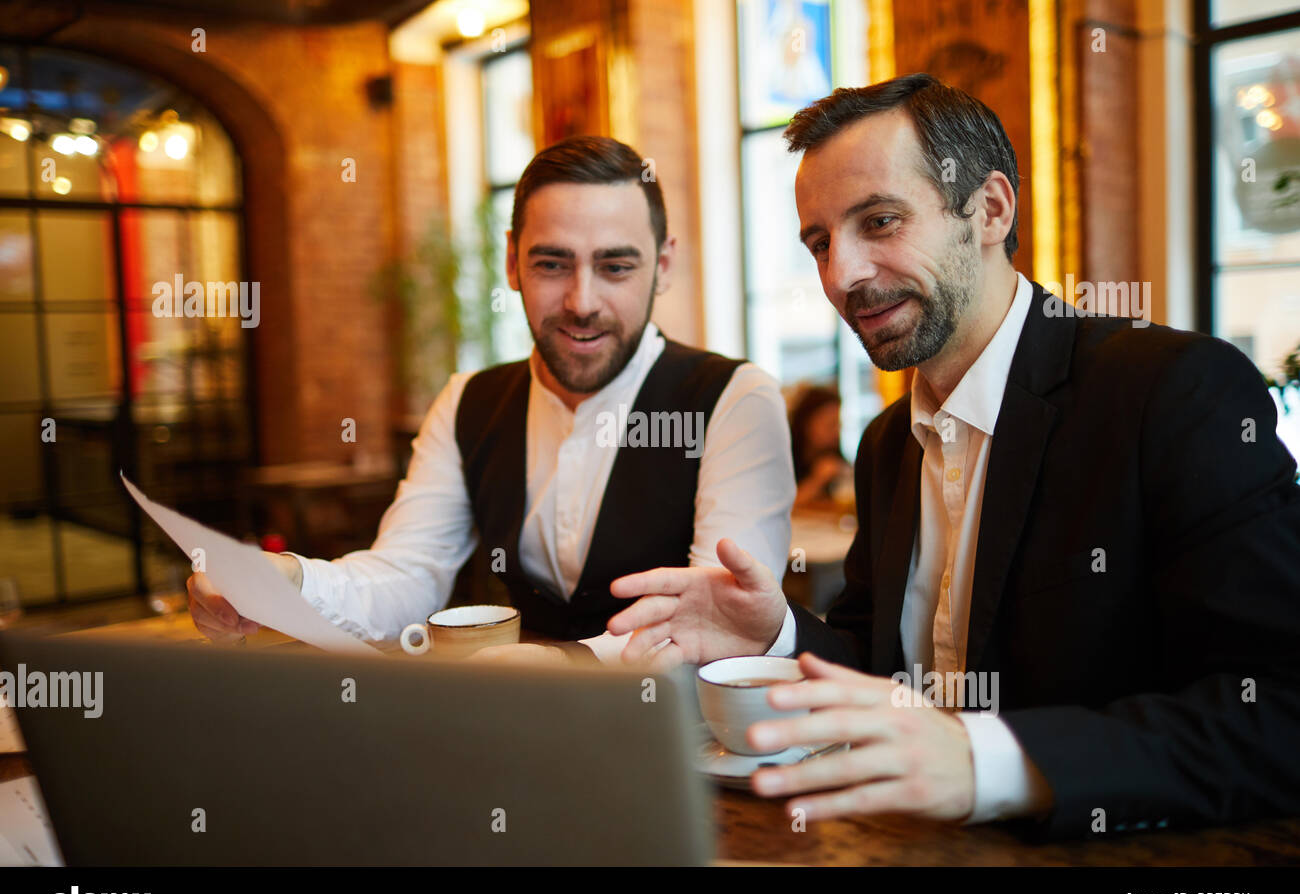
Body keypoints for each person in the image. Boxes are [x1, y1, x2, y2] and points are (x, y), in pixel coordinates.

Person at [607, 74, 1300, 839]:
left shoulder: (1168, 391)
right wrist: (777, 635)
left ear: (991, 210)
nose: (842, 276)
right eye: (820, 243)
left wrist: (987, 760)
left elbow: (1277, 710)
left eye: (880, 221)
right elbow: (880, 672)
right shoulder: (885, 445)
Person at [187, 135, 795, 664]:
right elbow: (408, 574)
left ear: (662, 266)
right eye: (553, 264)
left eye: (615, 267)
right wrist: (287, 579)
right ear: (512, 262)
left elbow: (715, 619)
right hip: (516, 729)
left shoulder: (733, 399)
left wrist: (568, 667)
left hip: (686, 748)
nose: (582, 301)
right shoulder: (468, 402)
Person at [788, 383, 852, 508]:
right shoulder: (786, 457)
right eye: (830, 425)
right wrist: (818, 479)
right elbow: (785, 507)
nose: (836, 431)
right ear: (806, 423)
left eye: (838, 424)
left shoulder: (833, 454)